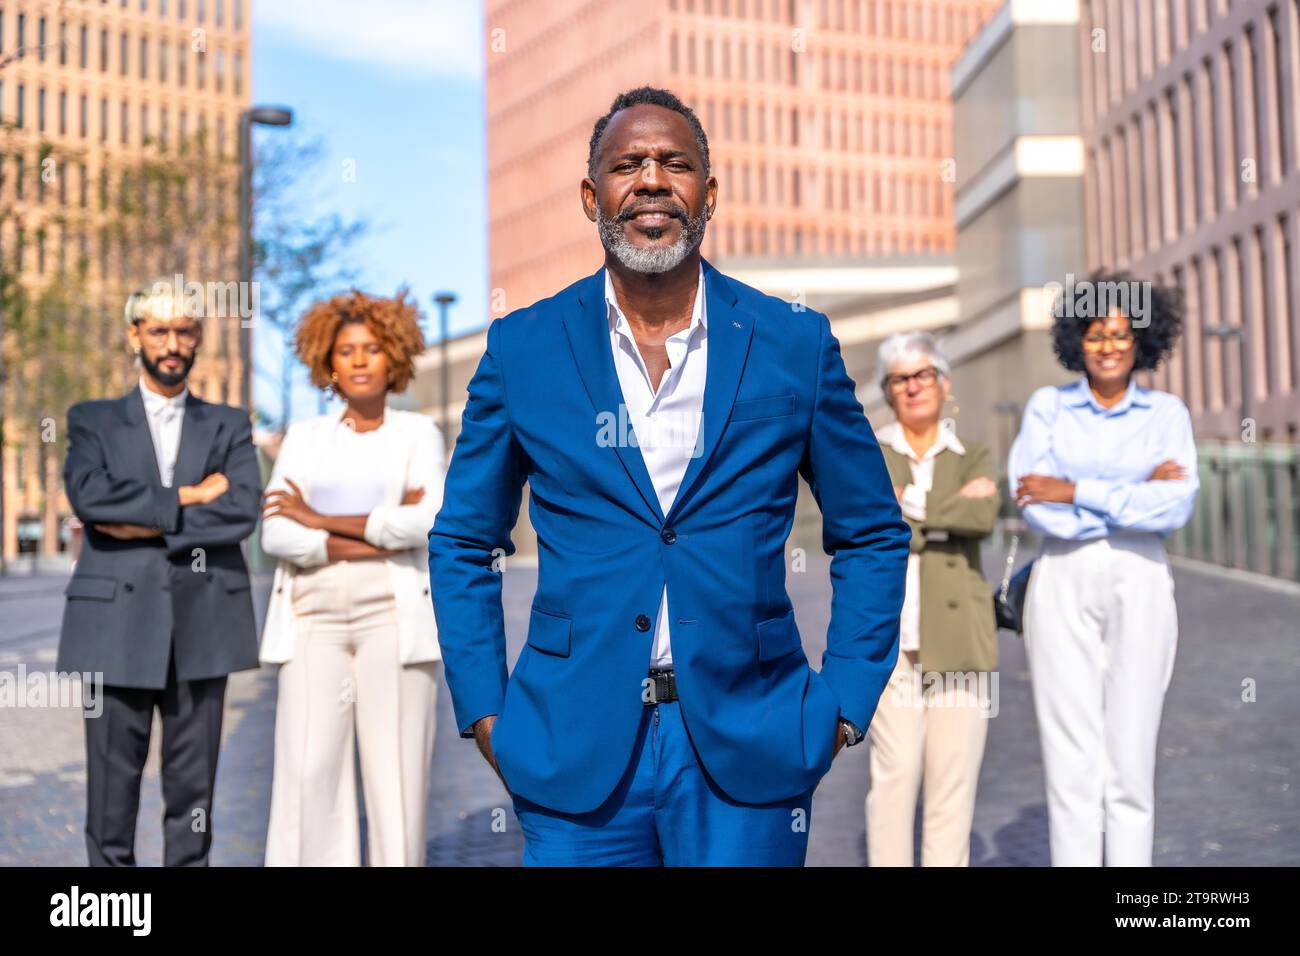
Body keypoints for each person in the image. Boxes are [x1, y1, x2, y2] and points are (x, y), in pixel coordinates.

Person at [428, 86, 910, 867]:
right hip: (570, 754)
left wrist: (844, 702)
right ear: (593, 196)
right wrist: (488, 713)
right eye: (628, 164)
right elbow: (461, 541)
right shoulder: (523, 348)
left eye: (675, 163)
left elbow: (873, 532)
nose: (652, 180)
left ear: (708, 194)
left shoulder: (794, 344)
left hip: (752, 754)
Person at [58, 279, 262, 866]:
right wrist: (191, 497)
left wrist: (141, 516)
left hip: (205, 628)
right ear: (135, 335)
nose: (172, 343)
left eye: (185, 331)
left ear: (199, 337)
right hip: (114, 625)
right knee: (110, 799)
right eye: (159, 330)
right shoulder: (91, 420)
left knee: (193, 799)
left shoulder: (229, 423)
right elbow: (91, 500)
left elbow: (241, 510)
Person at [1008, 272, 1198, 866]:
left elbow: (1176, 505)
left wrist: (1075, 488)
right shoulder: (1048, 407)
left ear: (1142, 338)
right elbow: (1037, 508)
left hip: (1142, 577)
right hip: (1062, 576)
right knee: (1070, 759)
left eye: (1120, 333)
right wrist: (1132, 490)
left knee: (1132, 756)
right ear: (1075, 341)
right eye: (1095, 335)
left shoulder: (1167, 414)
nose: (1109, 346)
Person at [259, 288, 444, 867]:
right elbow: (274, 536)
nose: (360, 360)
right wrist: (374, 529)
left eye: (371, 348)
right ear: (327, 362)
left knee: (396, 778)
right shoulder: (305, 438)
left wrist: (314, 520)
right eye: (346, 351)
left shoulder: (418, 435)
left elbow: (431, 521)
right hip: (311, 620)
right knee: (308, 772)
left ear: (393, 354)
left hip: (392, 617)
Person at [868, 332, 999, 867]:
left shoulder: (975, 453)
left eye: (923, 375)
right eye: (901, 379)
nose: (913, 387)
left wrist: (909, 507)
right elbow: (870, 523)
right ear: (888, 390)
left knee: (952, 785)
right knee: (894, 777)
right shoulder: (870, 453)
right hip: (889, 641)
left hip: (961, 645)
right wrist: (947, 512)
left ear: (944, 384)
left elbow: (983, 518)